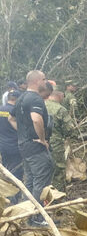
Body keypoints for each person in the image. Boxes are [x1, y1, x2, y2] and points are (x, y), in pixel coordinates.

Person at [13, 71, 54, 226]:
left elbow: (12, 118)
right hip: (35, 147)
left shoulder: (21, 98)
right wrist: (42, 139)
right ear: (37, 81)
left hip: (23, 145)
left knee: (30, 181)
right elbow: (36, 119)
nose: (46, 81)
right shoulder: (35, 98)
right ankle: (37, 216)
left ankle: (28, 214)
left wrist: (23, 134)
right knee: (41, 181)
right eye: (44, 79)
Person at [45, 90, 73, 191]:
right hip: (55, 143)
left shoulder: (40, 105)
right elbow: (69, 129)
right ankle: (58, 196)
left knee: (42, 169)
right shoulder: (60, 109)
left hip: (38, 143)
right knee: (58, 169)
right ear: (60, 95)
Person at [0, 90, 22, 197]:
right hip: (15, 146)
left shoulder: (1, 109)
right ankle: (15, 196)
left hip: (2, 145)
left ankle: (4, 193)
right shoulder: (16, 111)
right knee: (17, 172)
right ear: (17, 99)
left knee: (6, 170)